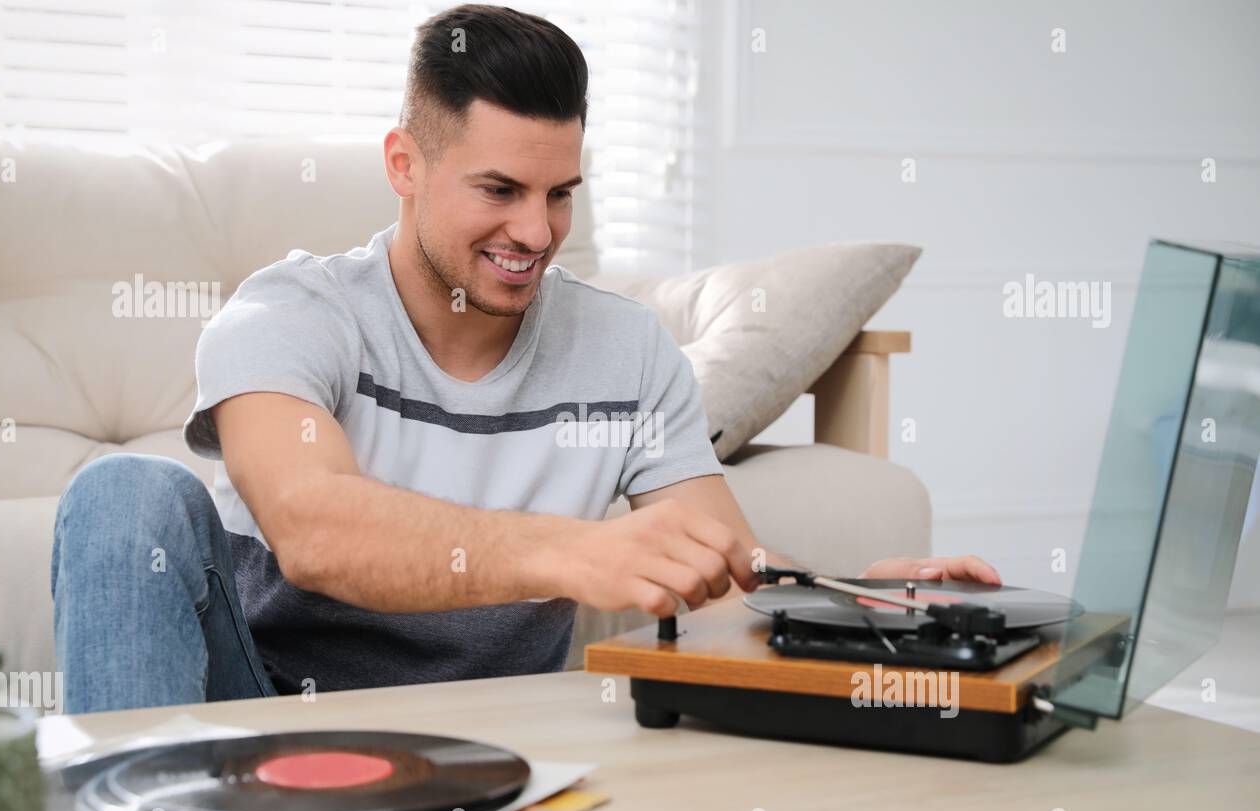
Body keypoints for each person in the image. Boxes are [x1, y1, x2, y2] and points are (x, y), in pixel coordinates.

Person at [51, 3, 998, 715]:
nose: (536, 231)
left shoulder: (624, 350)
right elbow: (316, 527)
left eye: (560, 194)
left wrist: (875, 604)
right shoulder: (291, 314)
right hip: (262, 723)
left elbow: (723, 564)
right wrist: (577, 550)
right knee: (121, 492)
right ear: (404, 165)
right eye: (499, 189)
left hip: (491, 743)